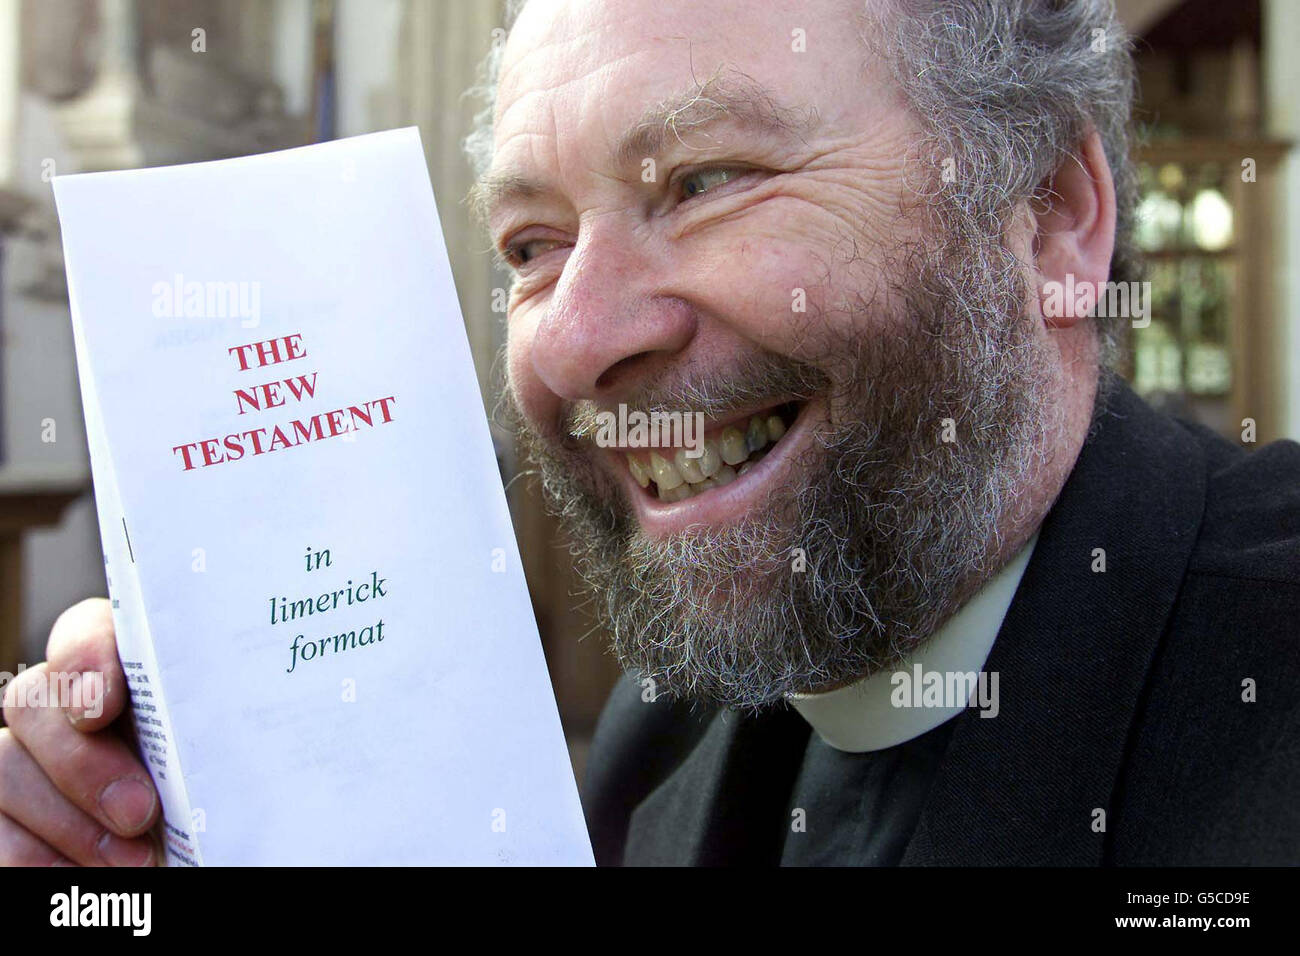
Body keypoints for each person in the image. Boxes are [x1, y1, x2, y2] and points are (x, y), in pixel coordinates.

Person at [3, 0, 1298, 866]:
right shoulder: (655, 737)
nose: (567, 343)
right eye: (531, 245)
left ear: (1051, 217)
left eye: (707, 182)